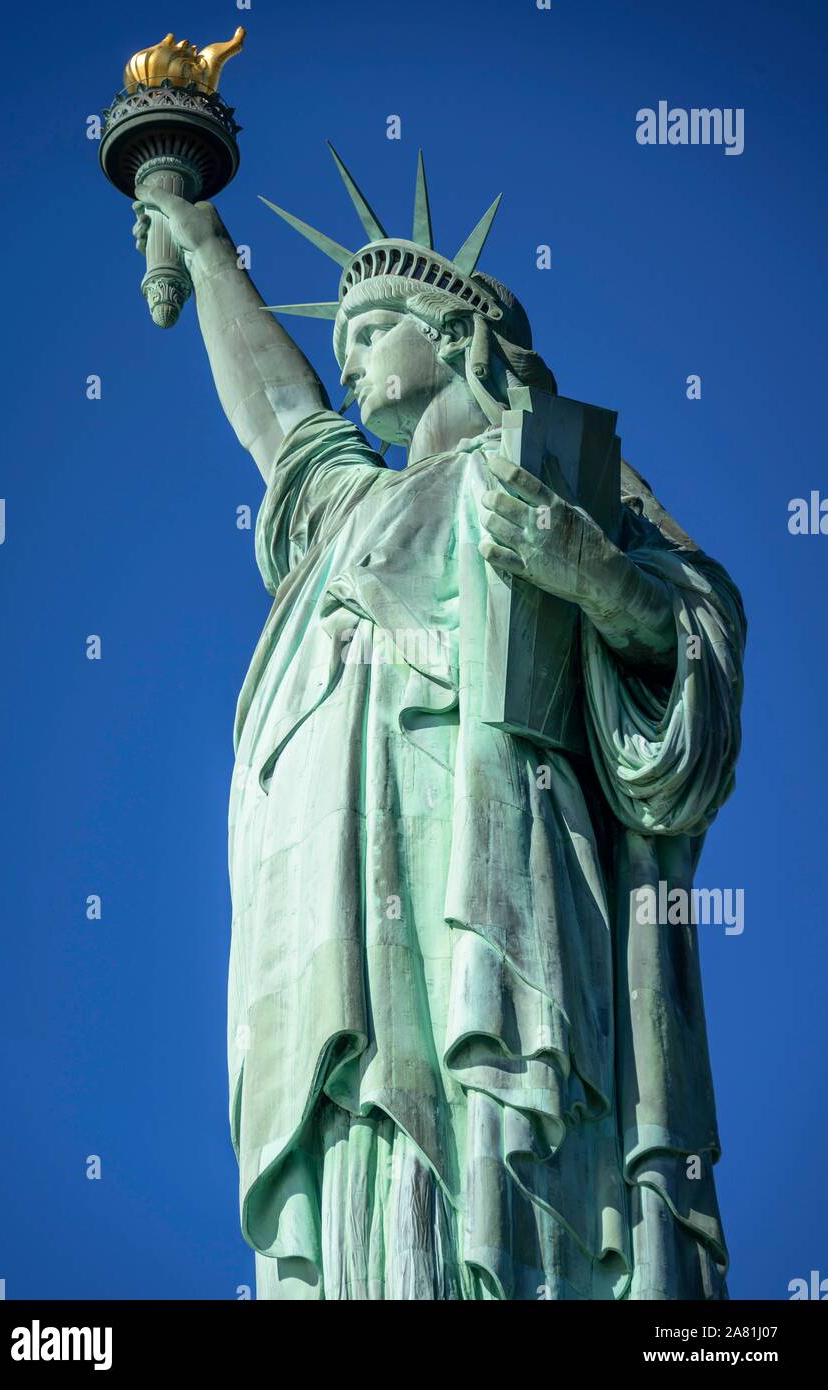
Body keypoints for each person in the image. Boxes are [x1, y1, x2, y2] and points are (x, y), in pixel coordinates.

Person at [132, 152, 745, 1300]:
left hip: (500, 915)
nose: (348, 357)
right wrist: (203, 241)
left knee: (491, 1166)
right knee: (375, 1201)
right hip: (334, 956)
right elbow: (285, 423)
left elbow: (700, 630)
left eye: (370, 329)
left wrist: (594, 575)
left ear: (454, 332)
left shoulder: (549, 468)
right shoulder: (352, 514)